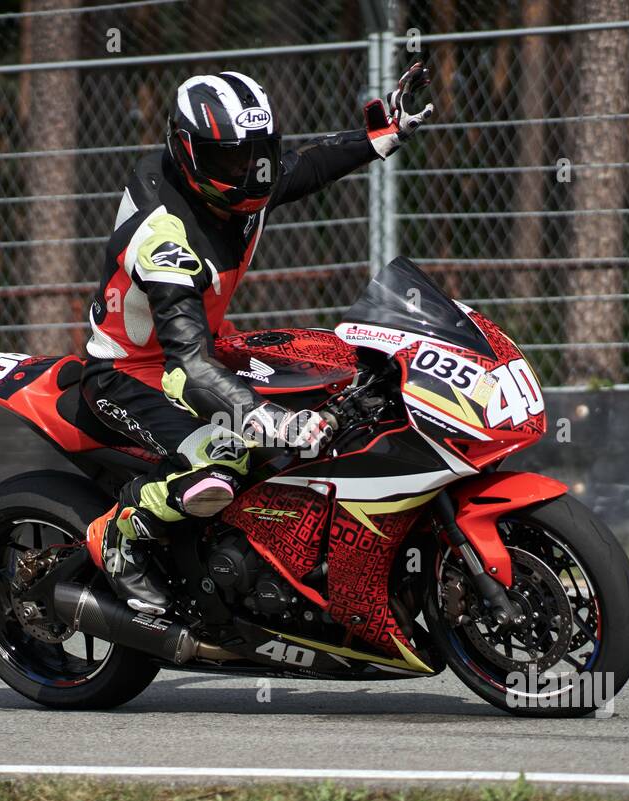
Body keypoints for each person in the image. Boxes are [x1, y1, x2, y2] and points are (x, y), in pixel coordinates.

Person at [81, 64, 434, 615]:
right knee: (223, 460)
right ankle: (121, 534)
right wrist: (259, 419)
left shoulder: (238, 183)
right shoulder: (163, 237)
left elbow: (306, 167)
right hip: (133, 372)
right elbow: (189, 366)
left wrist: (380, 136)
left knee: (341, 376)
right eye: (232, 159)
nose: (251, 172)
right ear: (188, 151)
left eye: (259, 154)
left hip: (209, 347)